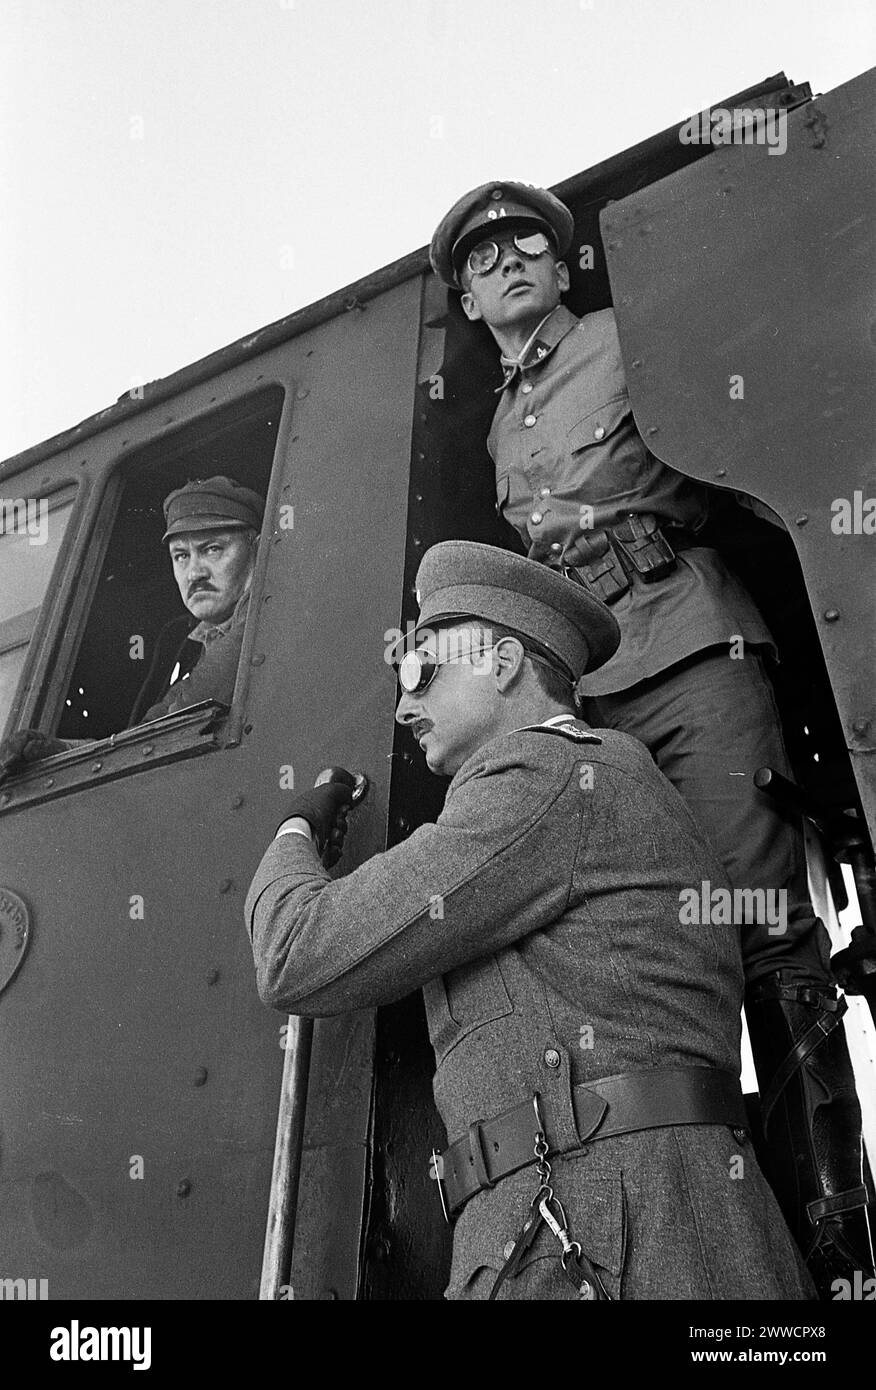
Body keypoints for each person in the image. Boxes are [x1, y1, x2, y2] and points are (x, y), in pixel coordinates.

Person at [428, 183, 874, 1294]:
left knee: (763, 928)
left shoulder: (635, 343)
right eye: (482, 257)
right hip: (592, 691)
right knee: (659, 957)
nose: (508, 260)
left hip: (691, 647)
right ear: (470, 298)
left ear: (561, 261)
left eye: (526, 240)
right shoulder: (495, 425)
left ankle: (839, 1236)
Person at [245, 539, 814, 1300]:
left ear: (504, 662)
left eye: (422, 670)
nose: (403, 704)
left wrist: (292, 834)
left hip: (615, 1235)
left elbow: (296, 950)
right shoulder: (572, 784)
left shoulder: (546, 778)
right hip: (584, 1232)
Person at [0, 475, 263, 781]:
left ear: (256, 549)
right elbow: (151, 727)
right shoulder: (195, 644)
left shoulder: (259, 619)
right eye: (181, 556)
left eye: (213, 549)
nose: (194, 572)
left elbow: (188, 707)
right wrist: (65, 750)